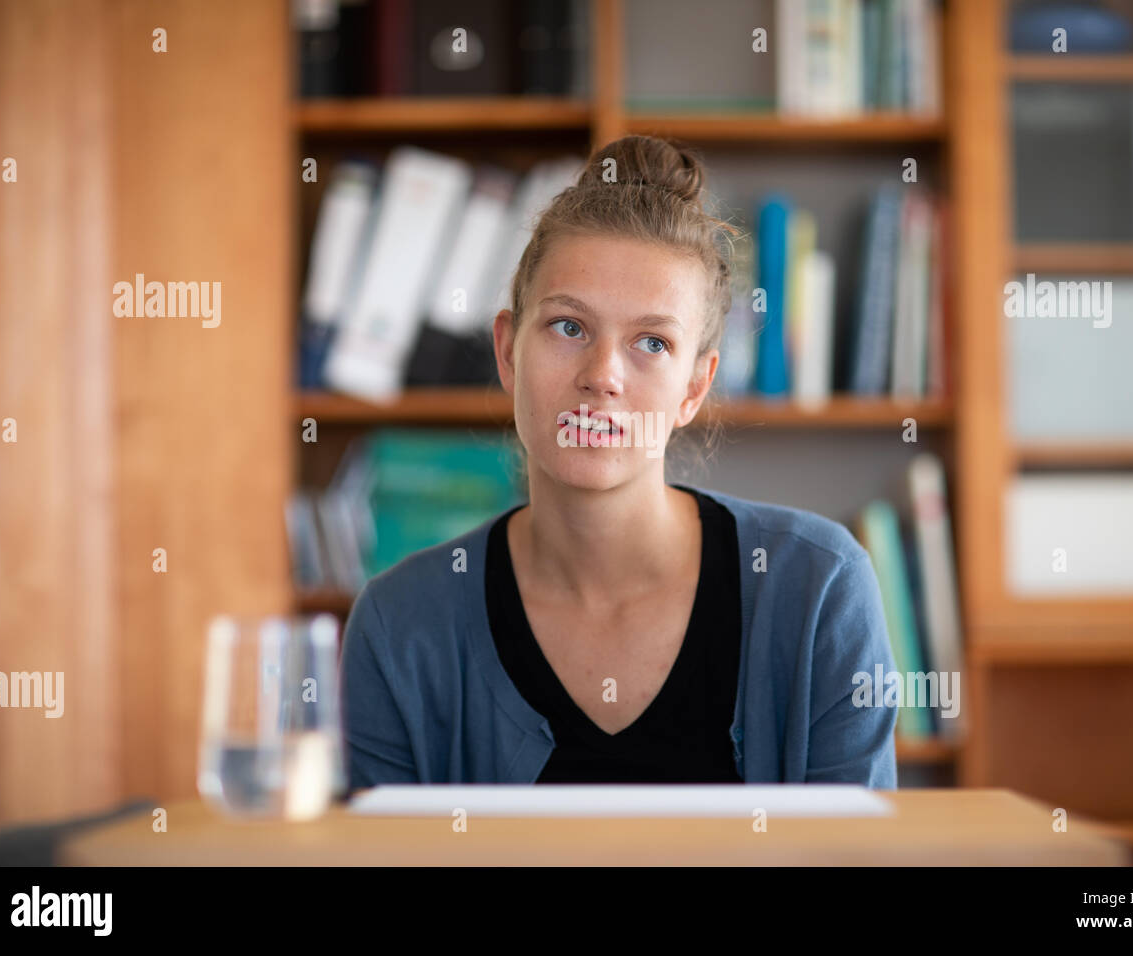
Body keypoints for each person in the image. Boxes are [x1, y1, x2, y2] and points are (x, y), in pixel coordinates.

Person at [340, 135, 897, 788]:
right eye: (569, 327)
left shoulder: (818, 591)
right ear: (508, 352)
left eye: (652, 342)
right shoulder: (399, 624)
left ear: (695, 386)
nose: (603, 375)